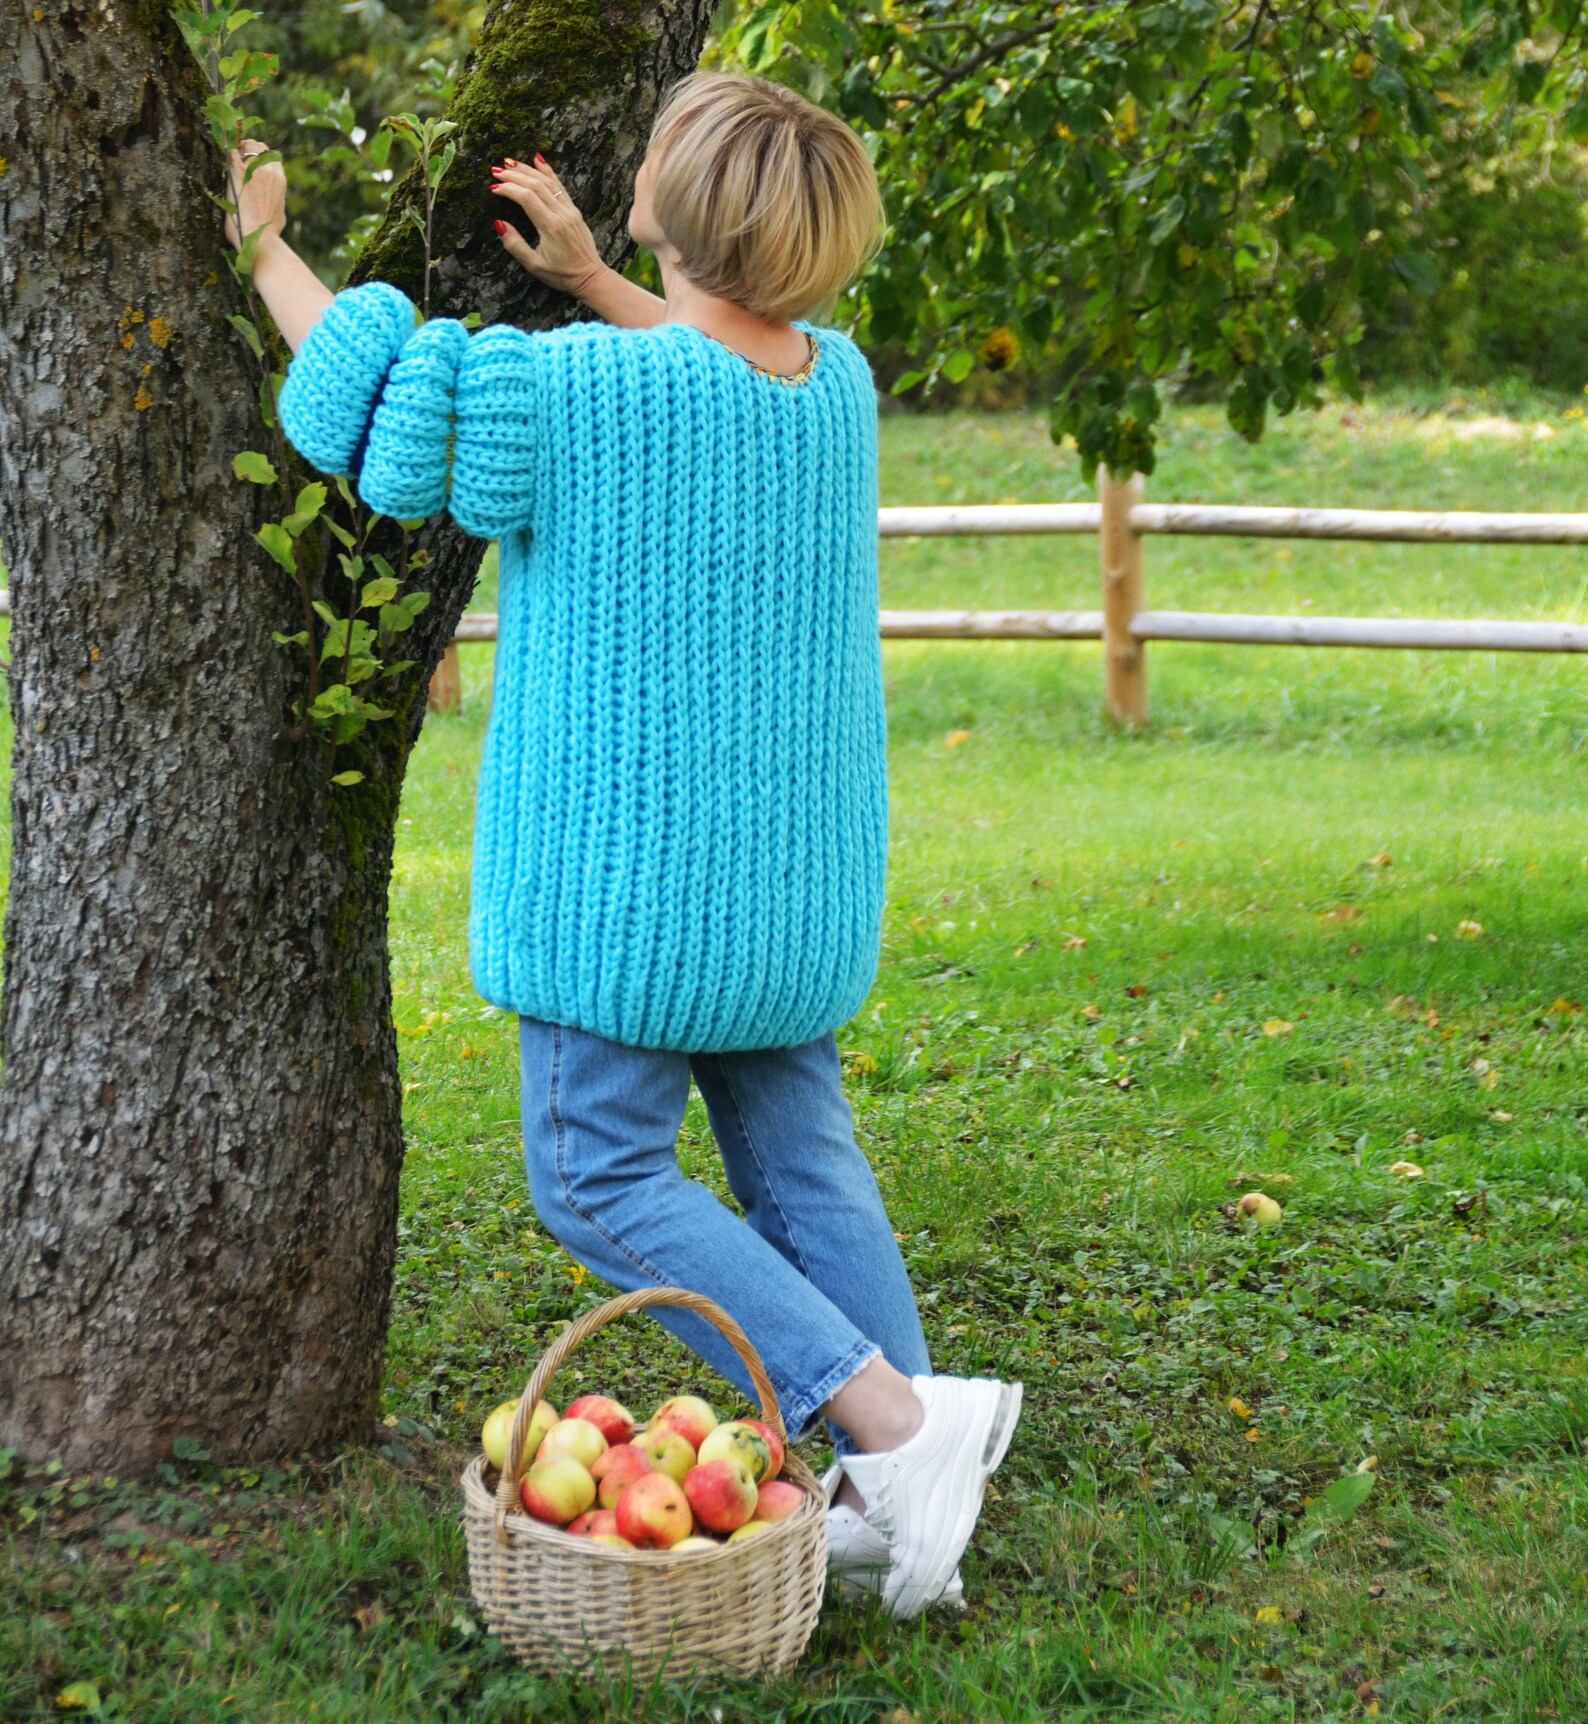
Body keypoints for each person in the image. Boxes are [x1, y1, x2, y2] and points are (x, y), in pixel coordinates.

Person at [226, 67, 1021, 1619]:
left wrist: (264, 249)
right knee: (801, 1162)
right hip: (785, 897)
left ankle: (897, 1425)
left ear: (689, 204)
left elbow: (377, 394)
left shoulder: (575, 395)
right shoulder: (830, 385)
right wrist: (595, 277)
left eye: (655, 151)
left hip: (633, 895)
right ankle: (896, 1486)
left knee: (592, 1174)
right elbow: (713, 375)